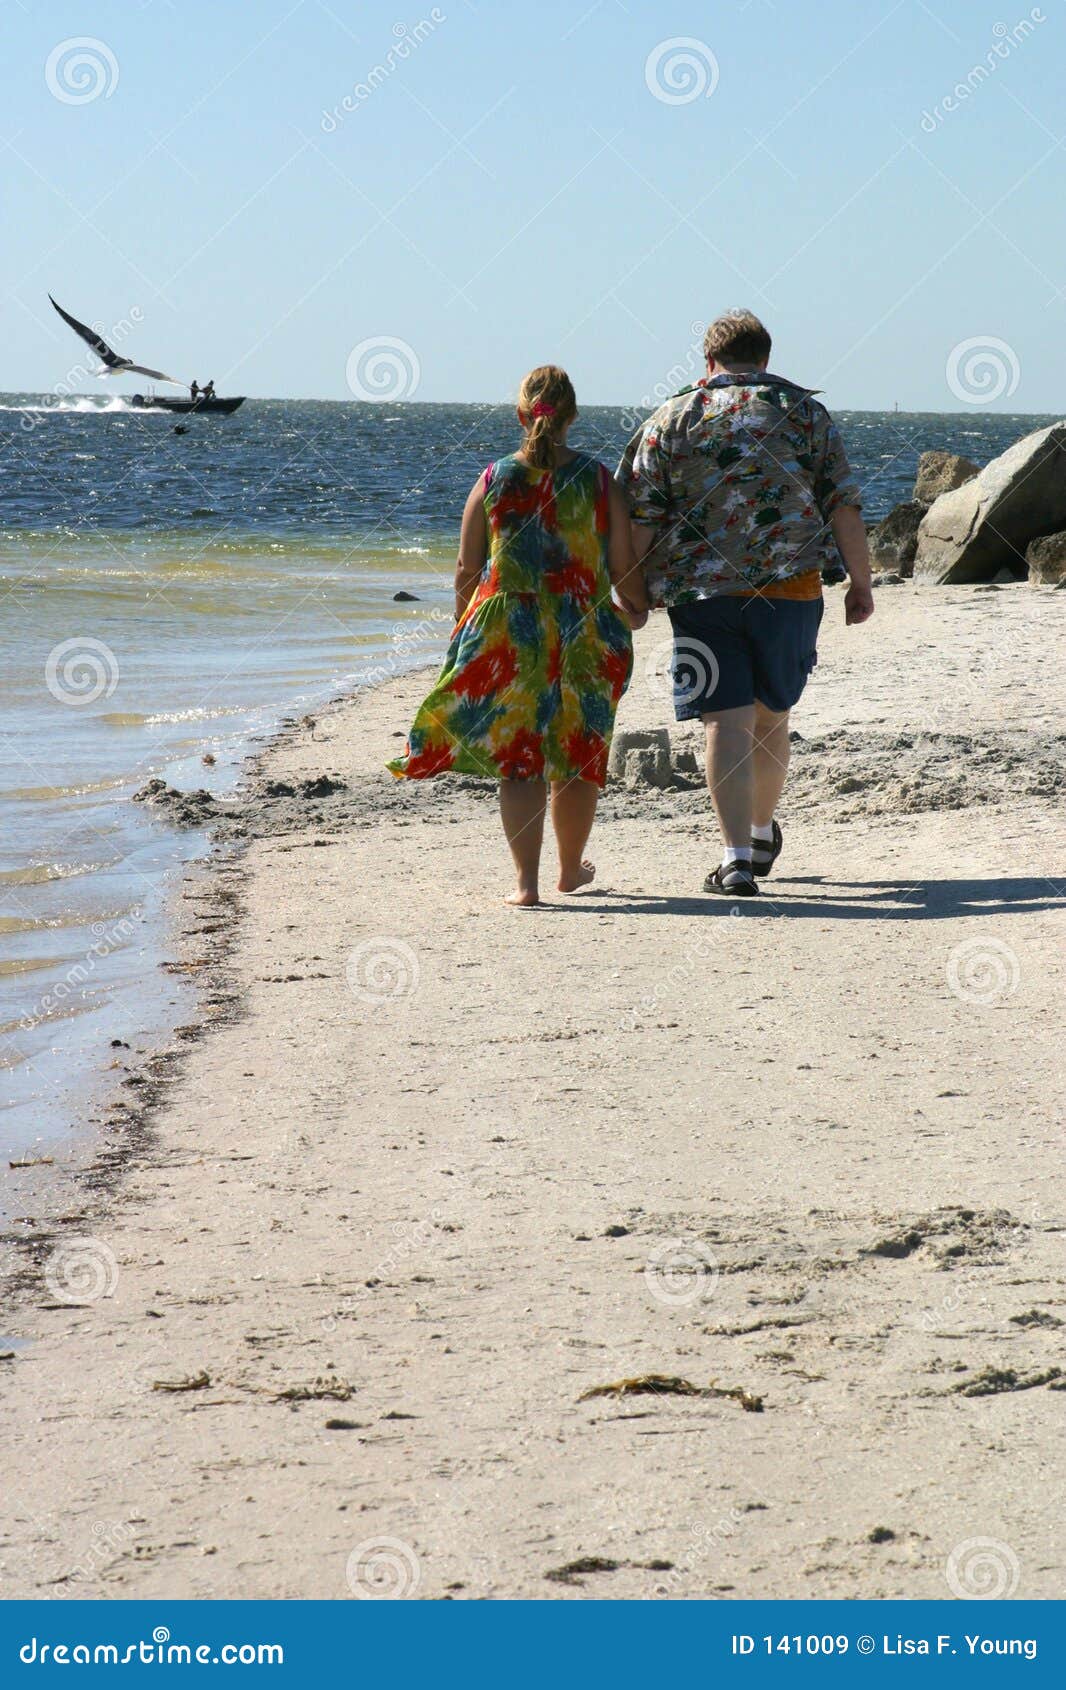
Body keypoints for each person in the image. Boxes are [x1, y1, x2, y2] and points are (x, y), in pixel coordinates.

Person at [617, 308, 874, 897]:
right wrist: (861, 584)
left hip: (703, 592)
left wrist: (632, 594)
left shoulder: (673, 417)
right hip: (791, 588)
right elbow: (844, 507)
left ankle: (735, 858)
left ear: (708, 361)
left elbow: (640, 519)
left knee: (723, 722)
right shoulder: (805, 412)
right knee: (771, 719)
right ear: (765, 358)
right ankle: (760, 833)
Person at [389, 364, 648, 906]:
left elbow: (466, 567)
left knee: (520, 758)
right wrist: (638, 607)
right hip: (586, 630)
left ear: (520, 414)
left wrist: (464, 626)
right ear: (573, 416)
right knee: (578, 753)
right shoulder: (600, 482)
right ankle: (570, 870)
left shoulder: (493, 478)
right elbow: (623, 563)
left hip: (510, 631)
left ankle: (526, 886)